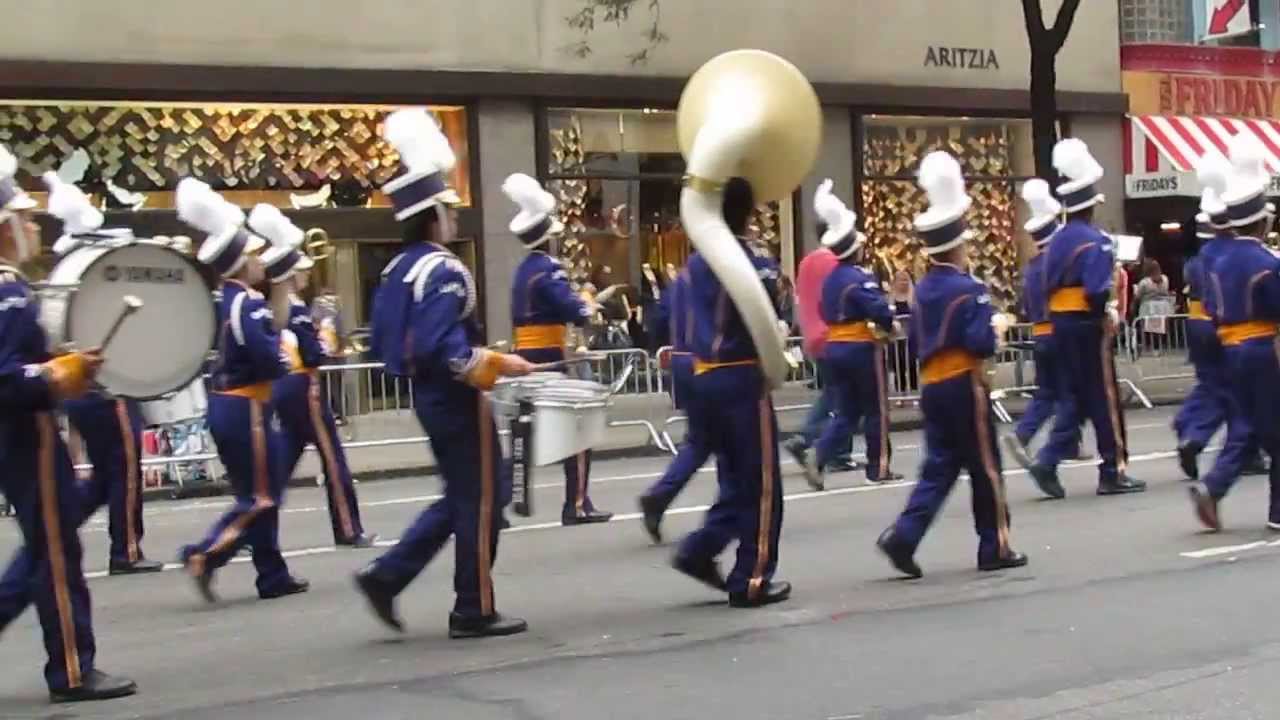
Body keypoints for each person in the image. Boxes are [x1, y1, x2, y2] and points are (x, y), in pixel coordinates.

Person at [354, 108, 530, 637]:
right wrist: (498, 363)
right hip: (453, 398)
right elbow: (445, 350)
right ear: (433, 217)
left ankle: (389, 576)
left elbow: (391, 342)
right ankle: (472, 606)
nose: (456, 220)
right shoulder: (443, 269)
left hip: (427, 395)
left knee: (466, 494)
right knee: (481, 499)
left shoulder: (395, 269)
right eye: (449, 212)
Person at [0, 145, 137, 702]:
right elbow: (8, 378)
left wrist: (62, 362)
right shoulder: (8, 291)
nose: (33, 225)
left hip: (19, 433)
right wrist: (60, 372)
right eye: (24, 217)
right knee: (58, 552)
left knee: (46, 544)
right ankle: (73, 670)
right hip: (25, 433)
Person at [876, 151, 1027, 579]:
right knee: (985, 466)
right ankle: (994, 544)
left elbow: (918, 338)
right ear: (958, 243)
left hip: (932, 385)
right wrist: (996, 328)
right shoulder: (969, 288)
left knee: (939, 468)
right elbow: (979, 342)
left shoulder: (923, 290)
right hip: (964, 383)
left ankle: (904, 536)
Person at [175, 178, 309, 603]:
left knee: (261, 493)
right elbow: (265, 351)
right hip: (246, 404)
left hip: (229, 403)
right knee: (260, 496)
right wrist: (283, 361)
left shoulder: (221, 299)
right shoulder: (247, 301)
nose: (259, 262)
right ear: (239, 262)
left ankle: (272, 573)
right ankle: (204, 554)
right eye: (252, 255)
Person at [671, 177, 791, 608]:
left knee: (735, 481)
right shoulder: (753, 256)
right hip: (741, 376)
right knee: (761, 485)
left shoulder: (695, 262)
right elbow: (773, 311)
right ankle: (752, 576)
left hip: (699, 376)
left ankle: (699, 550)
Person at [1018, 139, 1146, 499]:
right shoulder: (1097, 242)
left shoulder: (1055, 242)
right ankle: (1112, 469)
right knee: (1104, 397)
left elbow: (1046, 284)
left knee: (1077, 396)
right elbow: (1095, 289)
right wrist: (1106, 312)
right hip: (1086, 324)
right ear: (1091, 205)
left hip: (1059, 323)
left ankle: (1049, 460)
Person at [249, 204, 376, 548]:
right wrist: (327, 328)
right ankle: (348, 529)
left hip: (285, 386)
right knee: (334, 460)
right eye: (301, 270)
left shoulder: (273, 306)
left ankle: (252, 524)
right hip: (304, 386)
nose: (306, 275)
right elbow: (315, 353)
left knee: (282, 465)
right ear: (290, 274)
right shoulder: (297, 308)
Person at [503, 173, 611, 525]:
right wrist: (588, 307)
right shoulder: (548, 269)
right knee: (576, 430)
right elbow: (572, 310)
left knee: (527, 436)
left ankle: (500, 500)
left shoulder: (522, 272)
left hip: (528, 355)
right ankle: (576, 504)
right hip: (547, 359)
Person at [1190, 135, 1280, 531]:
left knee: (1245, 423)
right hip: (1263, 348)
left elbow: (1211, 306)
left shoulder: (1217, 260)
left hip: (1230, 346)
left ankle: (1214, 485)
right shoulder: (1265, 261)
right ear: (1262, 220)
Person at [803, 180, 900, 489]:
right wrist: (890, 323)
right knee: (876, 410)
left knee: (845, 411)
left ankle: (820, 454)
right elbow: (878, 309)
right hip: (860, 347)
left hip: (836, 346)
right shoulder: (859, 277)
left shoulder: (832, 279)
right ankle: (879, 466)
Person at [1176, 156, 1268, 482]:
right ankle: (1209, 440)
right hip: (1229, 329)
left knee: (1213, 384)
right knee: (1239, 393)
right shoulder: (1236, 254)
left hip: (1198, 319)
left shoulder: (1203, 255)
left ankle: (1192, 429)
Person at [1002, 179, 1083, 469]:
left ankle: (1023, 434)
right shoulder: (1058, 263)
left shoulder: (1031, 269)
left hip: (1040, 333)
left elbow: (1025, 306)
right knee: (1072, 391)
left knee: (1047, 392)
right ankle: (1067, 443)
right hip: (1060, 331)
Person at [783, 181, 859, 475]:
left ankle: (824, 444)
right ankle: (816, 441)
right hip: (836, 335)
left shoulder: (807, 262)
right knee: (842, 397)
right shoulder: (834, 263)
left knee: (834, 393)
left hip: (813, 337)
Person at [637, 263, 716, 542]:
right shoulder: (720, 270)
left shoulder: (683, 277)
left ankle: (659, 497)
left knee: (699, 441)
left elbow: (660, 317)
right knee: (740, 444)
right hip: (712, 363)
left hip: (682, 359)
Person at [889, 269, 920, 396]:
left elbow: (917, 313)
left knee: (912, 364)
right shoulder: (890, 297)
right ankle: (900, 394)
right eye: (900, 280)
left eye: (906, 280)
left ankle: (914, 392)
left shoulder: (914, 296)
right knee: (898, 366)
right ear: (895, 282)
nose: (903, 283)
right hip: (896, 337)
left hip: (911, 336)